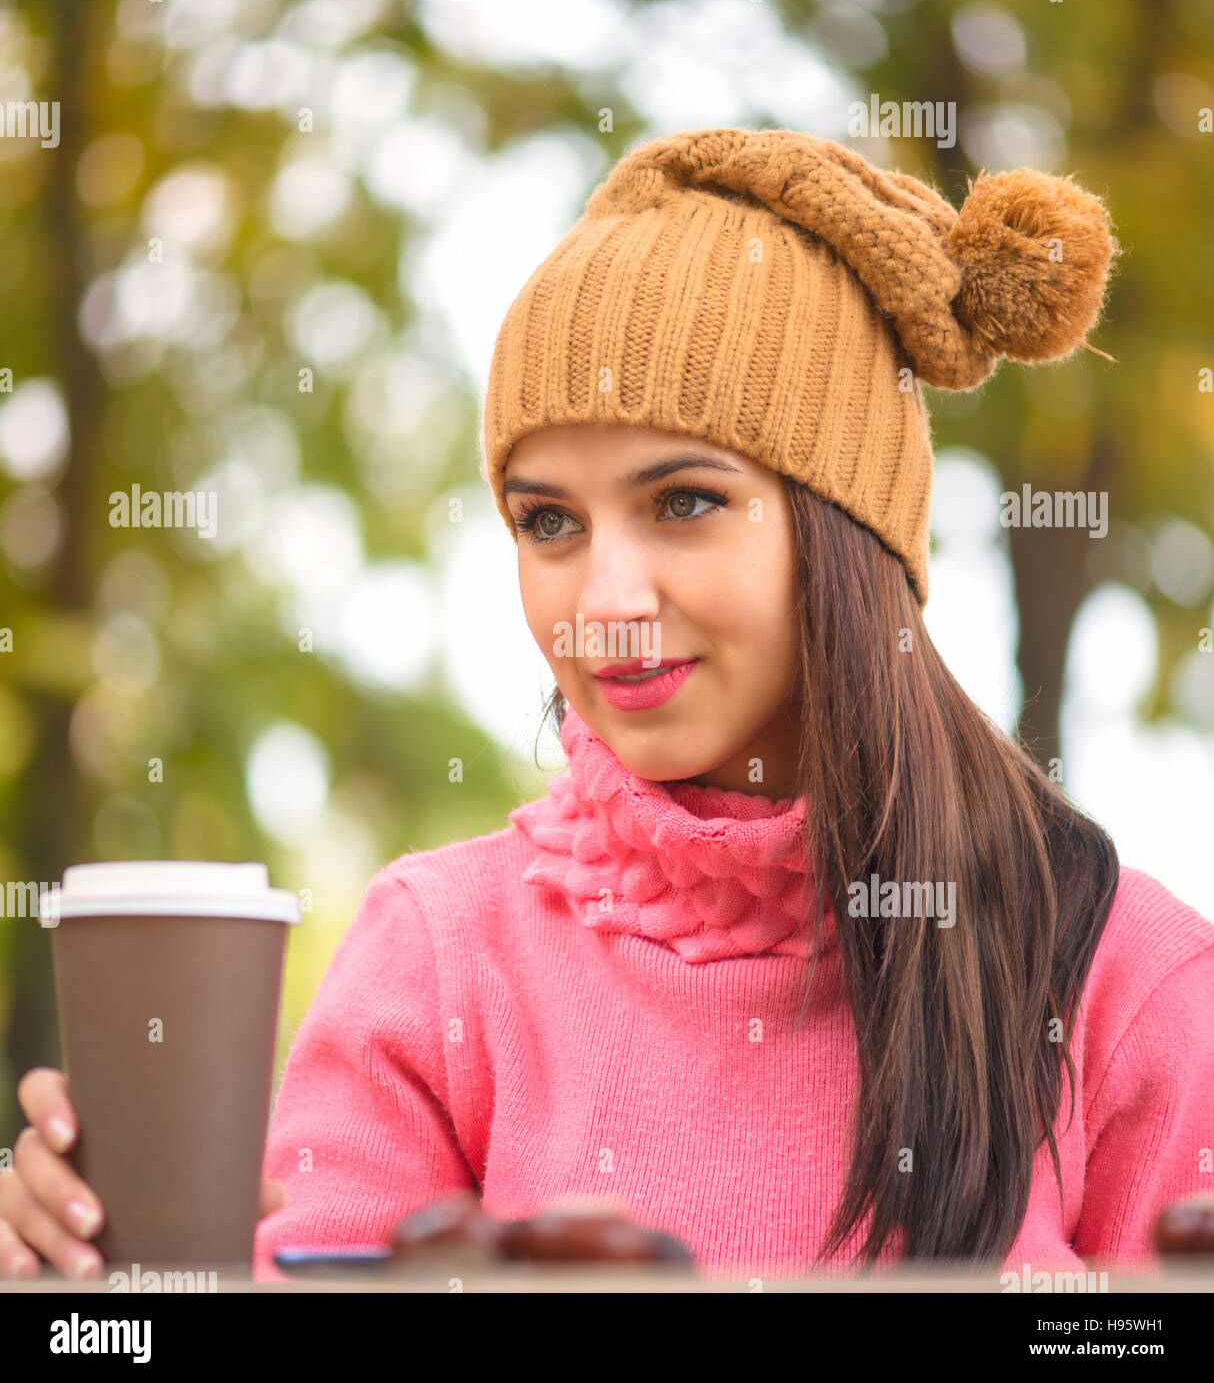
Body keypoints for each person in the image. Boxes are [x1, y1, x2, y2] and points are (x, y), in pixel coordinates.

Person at [4, 128, 1213, 1284]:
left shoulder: (1123, 976)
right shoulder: (436, 958)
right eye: (548, 522)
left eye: (683, 501)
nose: (604, 599)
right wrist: (97, 1287)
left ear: (847, 533)